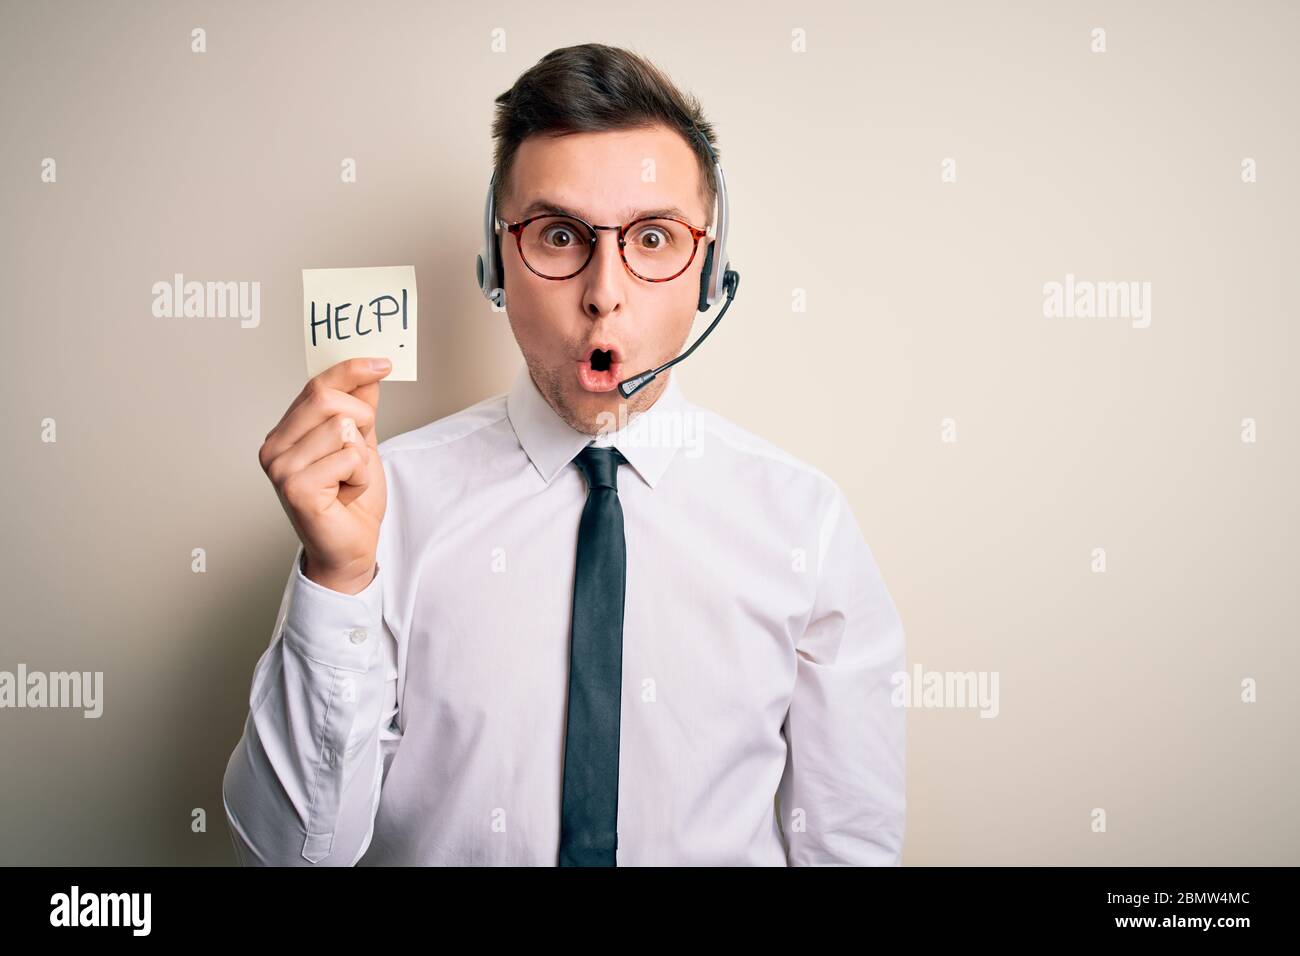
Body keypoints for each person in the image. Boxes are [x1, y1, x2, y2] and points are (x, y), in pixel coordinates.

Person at [222, 42, 905, 866]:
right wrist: (336, 583)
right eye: (557, 235)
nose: (604, 291)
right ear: (497, 257)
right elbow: (292, 853)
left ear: (710, 269)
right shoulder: (382, 505)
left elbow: (848, 848)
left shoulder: (807, 524)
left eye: (653, 238)